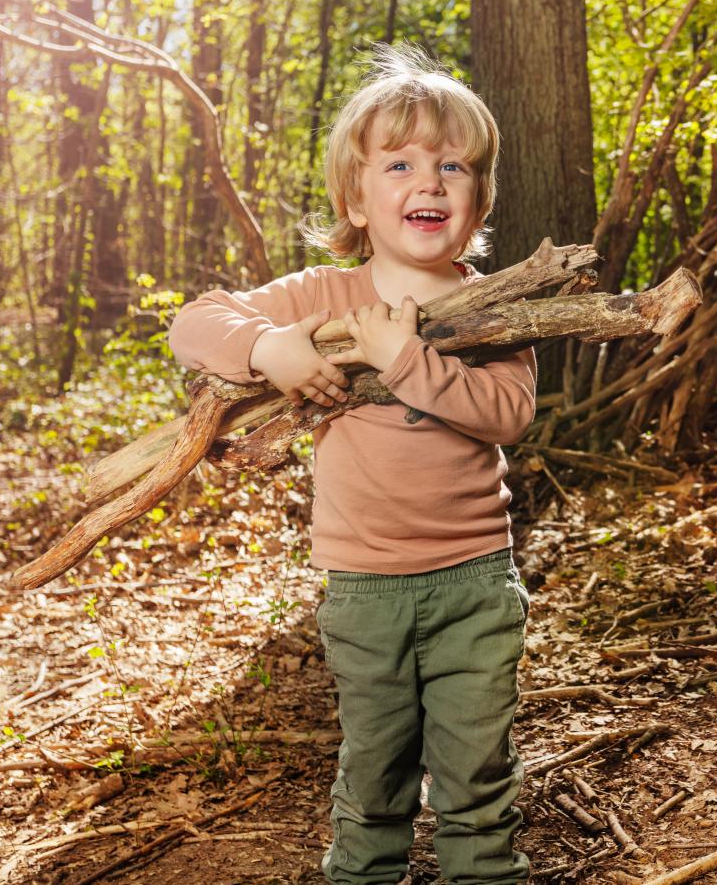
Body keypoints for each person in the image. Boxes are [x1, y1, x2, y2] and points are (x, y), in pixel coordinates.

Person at [167, 43, 535, 885]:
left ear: (479, 200)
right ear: (357, 197)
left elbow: (508, 412)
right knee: (375, 771)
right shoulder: (324, 296)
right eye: (399, 162)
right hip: (363, 586)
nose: (430, 180)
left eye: (453, 165)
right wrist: (269, 346)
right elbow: (193, 323)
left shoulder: (495, 305)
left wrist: (408, 359)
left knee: (476, 774)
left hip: (474, 581)